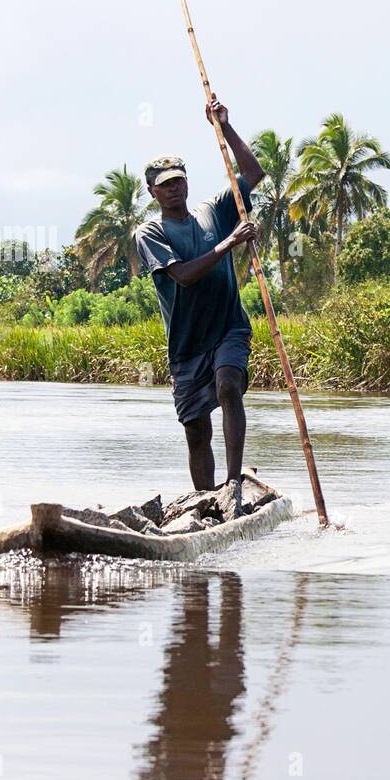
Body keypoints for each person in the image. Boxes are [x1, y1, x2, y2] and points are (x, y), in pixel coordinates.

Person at [134, 94, 265, 515]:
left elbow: (254, 172)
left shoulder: (212, 212)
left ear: (187, 182)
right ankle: (207, 503)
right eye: (165, 184)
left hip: (228, 325)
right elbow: (185, 276)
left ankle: (233, 486)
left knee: (229, 386)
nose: (175, 188)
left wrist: (224, 125)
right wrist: (232, 242)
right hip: (187, 342)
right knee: (195, 430)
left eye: (179, 180)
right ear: (153, 192)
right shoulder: (149, 232)